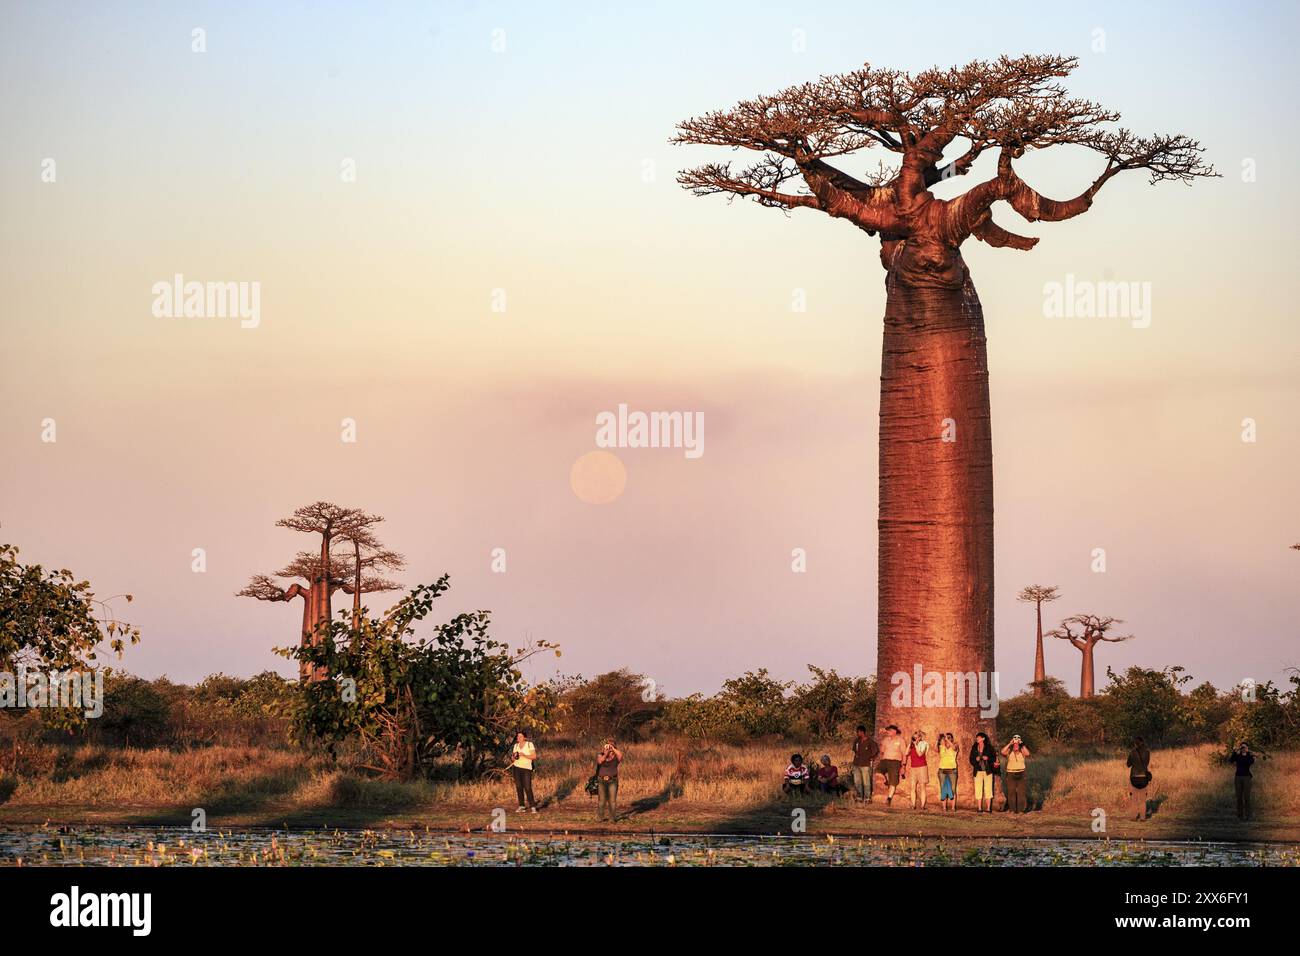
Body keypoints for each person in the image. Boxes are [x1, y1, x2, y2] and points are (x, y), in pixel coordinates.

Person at [1000, 734, 1031, 813]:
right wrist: (1010, 743)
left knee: (1021, 792)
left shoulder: (1022, 750)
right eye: (1015, 742)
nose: (1016, 744)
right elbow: (1002, 752)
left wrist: (1022, 744)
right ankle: (1012, 810)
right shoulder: (1009, 751)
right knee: (1011, 792)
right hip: (1010, 773)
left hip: (1021, 773)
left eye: (1017, 743)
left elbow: (1027, 753)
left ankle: (1021, 810)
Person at [877, 725, 906, 807]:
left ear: (894, 731)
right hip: (885, 760)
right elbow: (882, 751)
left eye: (889, 731)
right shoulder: (885, 740)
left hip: (895, 762)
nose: (888, 732)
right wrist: (881, 739)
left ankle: (889, 799)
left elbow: (904, 754)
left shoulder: (901, 740)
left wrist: (903, 766)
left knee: (893, 781)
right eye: (887, 731)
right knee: (877, 772)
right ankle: (885, 780)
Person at [850, 725, 879, 803]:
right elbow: (855, 750)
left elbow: (876, 751)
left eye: (858, 732)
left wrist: (872, 758)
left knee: (866, 781)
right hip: (856, 763)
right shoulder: (857, 741)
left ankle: (867, 798)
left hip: (866, 764)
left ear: (862, 732)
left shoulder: (870, 741)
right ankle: (859, 797)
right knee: (857, 781)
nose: (857, 733)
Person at [595, 739, 623, 823]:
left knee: (612, 801)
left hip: (613, 780)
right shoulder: (600, 754)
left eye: (610, 746)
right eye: (607, 745)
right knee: (601, 801)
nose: (608, 747)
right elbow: (600, 761)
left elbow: (621, 756)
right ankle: (600, 818)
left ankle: (612, 818)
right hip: (601, 780)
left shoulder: (616, 756)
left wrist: (613, 749)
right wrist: (605, 753)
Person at [511, 731, 538, 813]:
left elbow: (534, 756)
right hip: (516, 767)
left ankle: (533, 806)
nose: (519, 738)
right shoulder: (515, 746)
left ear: (525, 737)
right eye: (518, 736)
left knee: (527, 787)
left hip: (526, 768)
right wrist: (514, 757)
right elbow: (512, 758)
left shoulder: (529, 744)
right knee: (519, 787)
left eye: (521, 736)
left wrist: (524, 755)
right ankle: (521, 806)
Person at [902, 730, 930, 810]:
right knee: (912, 787)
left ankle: (922, 806)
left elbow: (920, 754)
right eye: (913, 737)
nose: (914, 738)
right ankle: (913, 805)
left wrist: (915, 745)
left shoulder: (924, 744)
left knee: (922, 787)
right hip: (913, 767)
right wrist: (911, 743)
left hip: (922, 767)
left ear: (920, 737)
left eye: (916, 737)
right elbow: (906, 753)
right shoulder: (912, 745)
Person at [1126, 737, 1151, 822]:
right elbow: (1146, 763)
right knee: (1143, 800)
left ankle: (1134, 817)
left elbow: (1128, 764)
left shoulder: (1132, 752)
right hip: (1144, 777)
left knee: (1134, 799)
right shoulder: (1147, 752)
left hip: (1134, 777)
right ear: (1142, 742)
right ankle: (1143, 817)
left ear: (1135, 743)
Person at [970, 732, 997, 812]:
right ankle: (979, 808)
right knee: (978, 789)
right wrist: (976, 759)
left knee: (988, 789)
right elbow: (971, 759)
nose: (977, 739)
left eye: (978, 737)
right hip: (978, 771)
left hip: (987, 771)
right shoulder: (974, 747)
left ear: (983, 738)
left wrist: (987, 758)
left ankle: (988, 808)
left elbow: (994, 758)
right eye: (977, 738)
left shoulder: (989, 747)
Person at [1229, 742, 1255, 820]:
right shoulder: (1237, 756)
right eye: (1242, 747)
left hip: (1247, 777)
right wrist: (1234, 752)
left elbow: (1251, 762)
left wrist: (1248, 753)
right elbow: (1231, 760)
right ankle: (1240, 815)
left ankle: (1248, 815)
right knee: (1239, 797)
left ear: (1247, 748)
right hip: (1238, 777)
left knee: (1247, 797)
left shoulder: (1249, 756)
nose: (1243, 749)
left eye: (1245, 747)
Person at [937, 732, 959, 811]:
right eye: (946, 737)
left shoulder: (955, 745)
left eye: (949, 737)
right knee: (943, 789)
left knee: (953, 789)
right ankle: (944, 807)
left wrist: (948, 740)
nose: (947, 738)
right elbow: (939, 753)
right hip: (942, 770)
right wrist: (941, 741)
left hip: (952, 770)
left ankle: (953, 807)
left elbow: (954, 748)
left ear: (952, 739)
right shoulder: (941, 746)